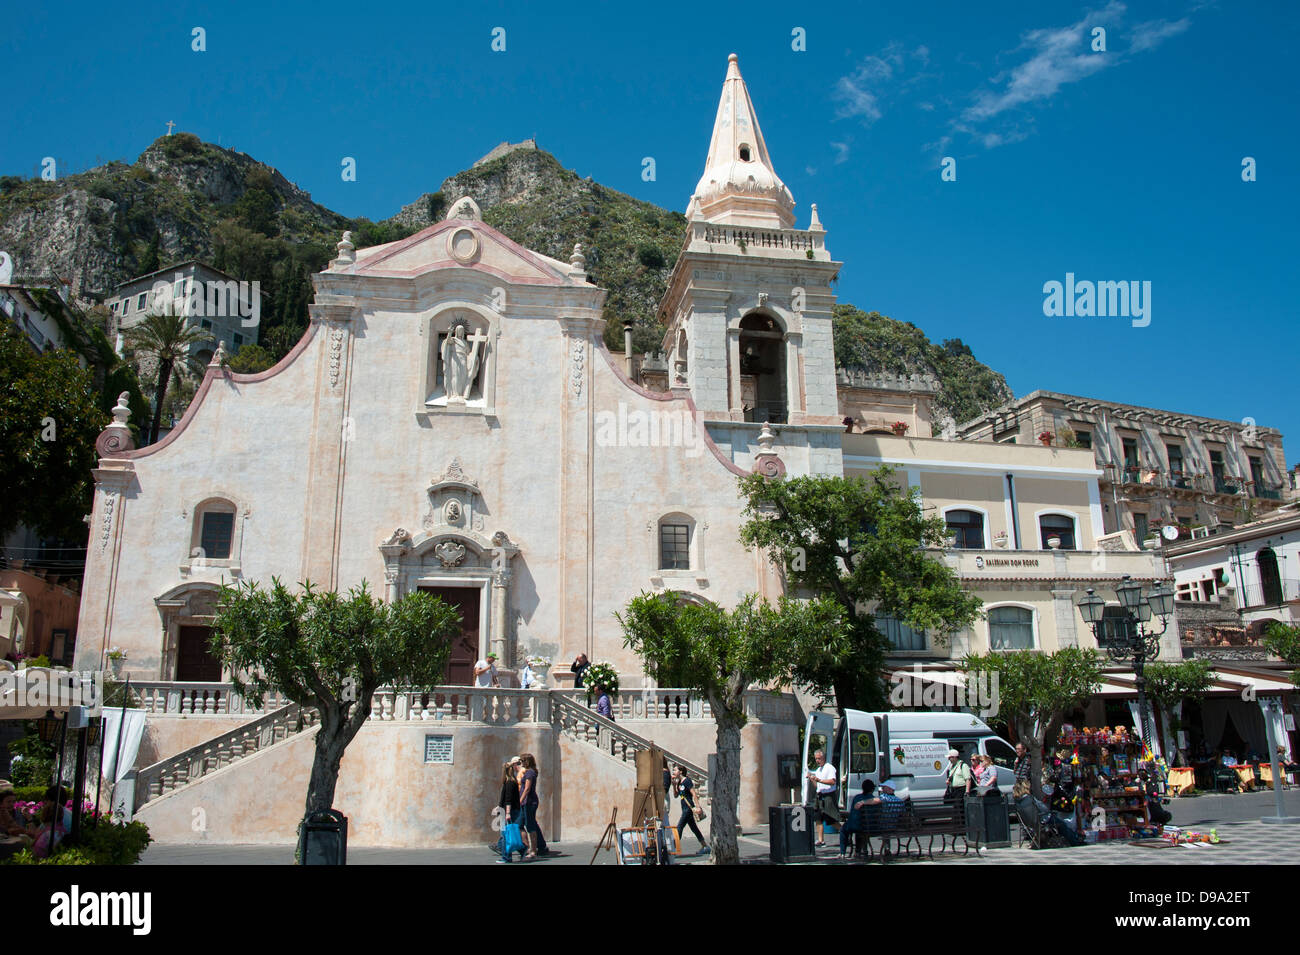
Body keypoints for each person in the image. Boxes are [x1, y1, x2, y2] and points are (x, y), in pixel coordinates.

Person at [671, 764, 708, 855]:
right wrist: (674, 785)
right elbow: (676, 795)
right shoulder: (679, 782)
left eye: (675, 770)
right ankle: (705, 846)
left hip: (688, 808)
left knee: (679, 827)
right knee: (693, 828)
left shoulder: (687, 781)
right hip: (684, 807)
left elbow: (694, 794)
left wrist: (698, 807)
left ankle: (674, 848)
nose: (673, 772)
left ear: (681, 771)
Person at [516, 753, 548, 859]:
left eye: (523, 761)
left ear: (527, 761)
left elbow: (527, 788)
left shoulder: (530, 773)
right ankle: (528, 847)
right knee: (521, 824)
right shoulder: (528, 772)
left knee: (530, 826)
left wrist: (520, 800)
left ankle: (533, 850)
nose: (521, 763)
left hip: (529, 802)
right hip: (526, 802)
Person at [806, 749, 839, 847]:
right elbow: (817, 786)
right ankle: (821, 840)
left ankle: (844, 831)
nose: (817, 761)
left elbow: (832, 781)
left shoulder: (829, 768)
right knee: (818, 818)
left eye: (819, 758)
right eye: (816, 759)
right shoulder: (818, 770)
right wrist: (812, 779)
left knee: (831, 819)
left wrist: (819, 779)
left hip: (828, 796)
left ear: (824, 758)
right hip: (819, 795)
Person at [497, 758, 523, 863]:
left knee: (505, 836)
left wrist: (507, 813)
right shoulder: (513, 782)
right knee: (511, 833)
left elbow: (508, 800)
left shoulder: (508, 783)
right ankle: (522, 849)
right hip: (512, 810)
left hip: (508, 812)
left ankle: (506, 857)